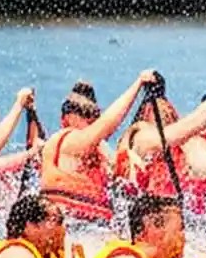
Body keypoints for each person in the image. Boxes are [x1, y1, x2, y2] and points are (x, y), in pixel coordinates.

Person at [114, 64, 206, 214]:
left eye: (168, 114)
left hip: (185, 221)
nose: (165, 114)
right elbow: (189, 125)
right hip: (143, 223)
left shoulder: (191, 142)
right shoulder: (140, 136)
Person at [40, 73, 154, 223]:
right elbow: (106, 126)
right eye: (84, 114)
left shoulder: (104, 154)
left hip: (97, 231)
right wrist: (138, 84)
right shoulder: (64, 140)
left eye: (94, 116)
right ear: (66, 118)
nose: (91, 120)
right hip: (67, 227)